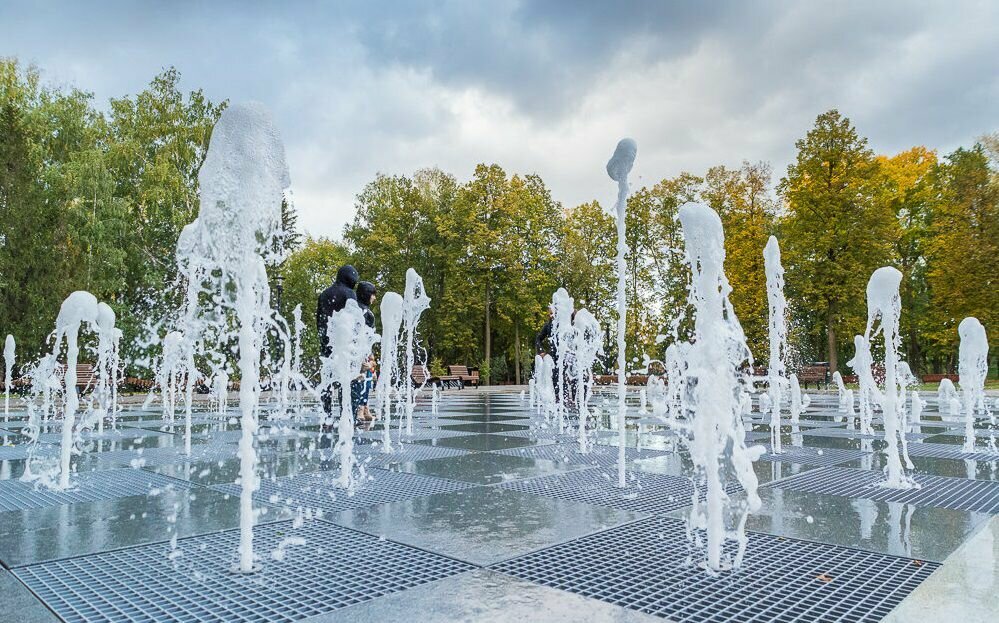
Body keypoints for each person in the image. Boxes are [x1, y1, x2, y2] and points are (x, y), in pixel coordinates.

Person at [316, 265, 359, 439]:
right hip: (343, 345)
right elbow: (355, 320)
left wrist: (323, 340)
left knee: (326, 380)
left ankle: (326, 416)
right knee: (344, 381)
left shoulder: (324, 294)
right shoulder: (349, 294)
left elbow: (319, 319)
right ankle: (344, 414)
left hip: (327, 343)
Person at [352, 281, 377, 422]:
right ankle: (360, 409)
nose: (374, 298)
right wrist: (369, 357)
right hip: (361, 352)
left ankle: (364, 407)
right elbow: (367, 337)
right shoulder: (367, 313)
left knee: (366, 380)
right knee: (363, 380)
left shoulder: (355, 310)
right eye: (373, 294)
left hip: (360, 351)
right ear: (367, 294)